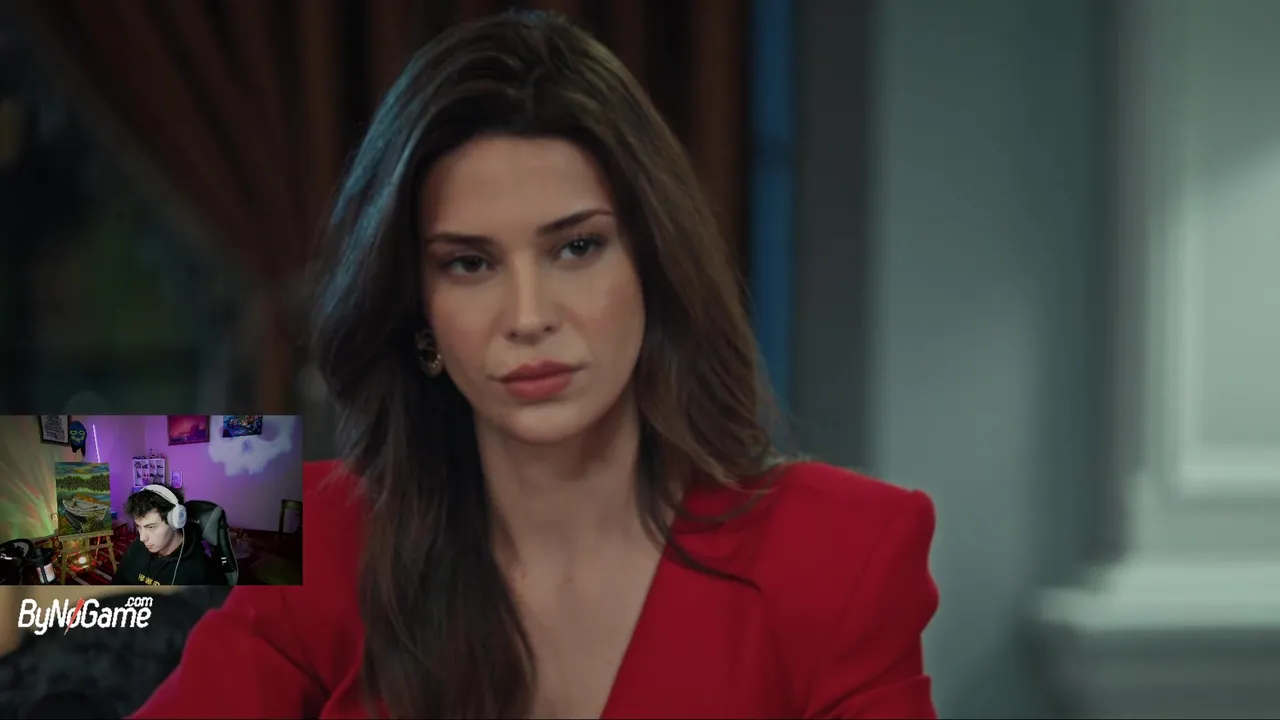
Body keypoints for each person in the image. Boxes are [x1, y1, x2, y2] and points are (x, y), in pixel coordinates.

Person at [133, 10, 938, 719]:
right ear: (417, 308)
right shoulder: (311, 518)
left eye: (577, 247)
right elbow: (69, 506)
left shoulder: (842, 547)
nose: (528, 317)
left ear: (654, 265)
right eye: (469, 264)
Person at [113, 486, 225, 586]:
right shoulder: (136, 548)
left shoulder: (201, 571)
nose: (142, 538)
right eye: (138, 527)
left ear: (175, 522)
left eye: (151, 527)